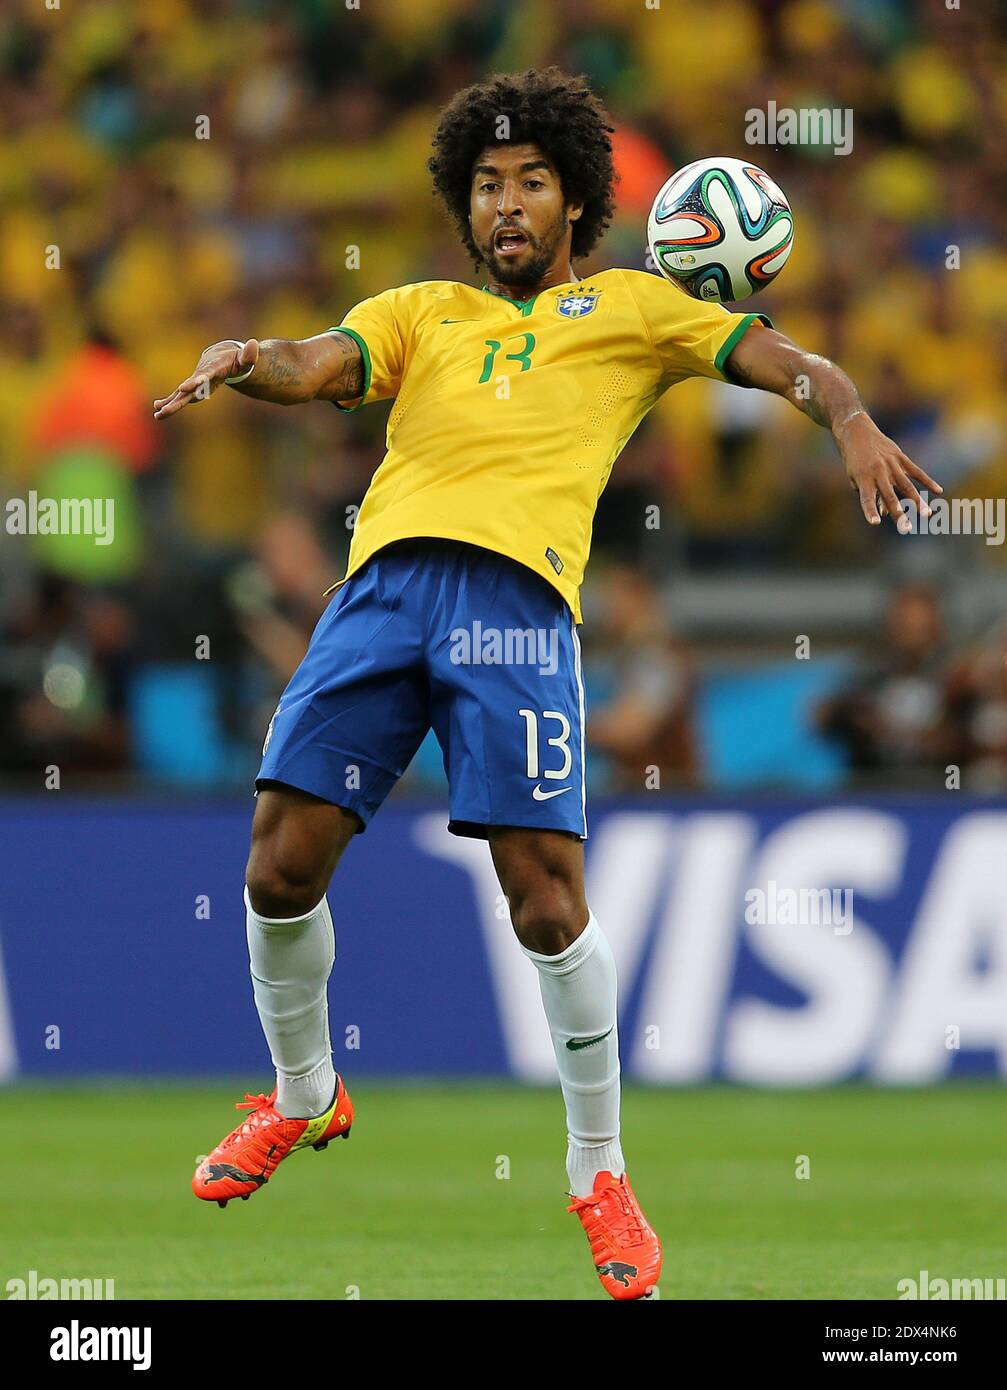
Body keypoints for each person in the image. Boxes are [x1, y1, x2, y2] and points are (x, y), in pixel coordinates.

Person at [153, 67, 941, 1300]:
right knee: (275, 865)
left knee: (543, 901)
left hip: (516, 609)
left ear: (574, 203)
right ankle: (303, 1092)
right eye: (484, 186)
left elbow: (785, 361)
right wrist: (247, 357)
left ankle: (596, 1170)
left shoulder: (634, 309)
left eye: (528, 182)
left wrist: (842, 416)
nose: (505, 204)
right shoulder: (421, 313)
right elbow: (314, 365)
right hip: (379, 596)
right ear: (462, 211)